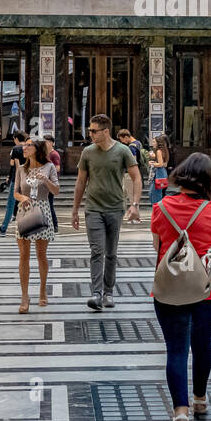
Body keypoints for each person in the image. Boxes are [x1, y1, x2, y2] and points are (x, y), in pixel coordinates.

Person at [150, 152, 211, 421]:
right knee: (202, 343)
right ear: (207, 180)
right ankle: (199, 399)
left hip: (170, 288)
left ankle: (179, 413)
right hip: (207, 289)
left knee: (176, 349)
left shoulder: (161, 207)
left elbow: (158, 248)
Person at [71, 114, 141, 311]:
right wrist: (75, 210)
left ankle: (108, 292)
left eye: (94, 131)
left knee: (111, 253)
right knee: (97, 251)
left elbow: (136, 177)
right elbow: (80, 182)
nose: (90, 134)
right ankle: (96, 293)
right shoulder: (87, 152)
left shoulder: (123, 150)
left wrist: (134, 204)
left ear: (105, 131)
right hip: (93, 208)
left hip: (115, 208)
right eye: (89, 131)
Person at [14, 138, 59, 313]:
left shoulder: (49, 167)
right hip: (25, 210)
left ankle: (42, 289)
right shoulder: (21, 169)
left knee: (41, 255)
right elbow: (16, 192)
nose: (24, 148)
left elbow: (56, 190)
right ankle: (24, 296)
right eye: (24, 145)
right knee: (23, 254)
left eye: (28, 145)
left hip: (42, 209)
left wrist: (45, 180)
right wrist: (23, 198)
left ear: (37, 148)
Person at [0, 131, 28, 237]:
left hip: (17, 179)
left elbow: (16, 165)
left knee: (10, 204)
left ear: (16, 139)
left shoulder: (16, 149)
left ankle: (3, 228)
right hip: (28, 179)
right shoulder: (30, 147)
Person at [118, 129, 144, 224]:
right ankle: (121, 214)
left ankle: (136, 217)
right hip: (133, 173)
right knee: (122, 194)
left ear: (126, 137)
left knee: (132, 196)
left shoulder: (131, 147)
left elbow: (132, 160)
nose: (122, 142)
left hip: (130, 174)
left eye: (122, 140)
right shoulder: (138, 143)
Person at [44, 134, 62, 230]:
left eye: (46, 142)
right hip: (46, 183)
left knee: (49, 204)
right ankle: (50, 224)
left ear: (51, 143)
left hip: (51, 183)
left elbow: (57, 168)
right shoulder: (47, 153)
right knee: (47, 203)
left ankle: (55, 225)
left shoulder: (54, 154)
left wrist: (46, 173)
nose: (45, 144)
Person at [148, 134, 171, 210]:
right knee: (156, 192)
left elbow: (160, 164)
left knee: (154, 194)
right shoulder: (164, 150)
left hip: (159, 173)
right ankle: (158, 209)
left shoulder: (158, 151)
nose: (153, 143)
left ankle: (157, 210)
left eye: (154, 142)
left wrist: (152, 163)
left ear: (158, 143)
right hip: (163, 173)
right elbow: (165, 164)